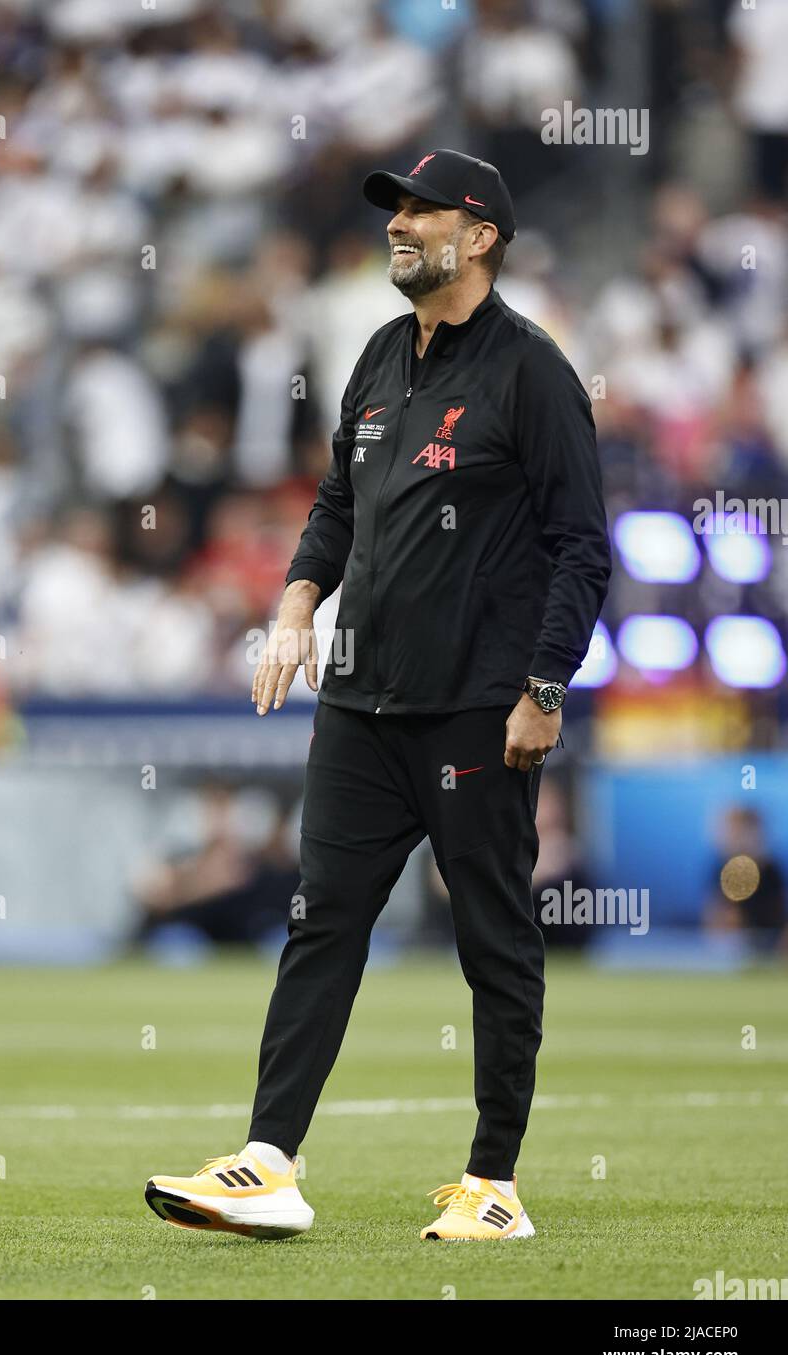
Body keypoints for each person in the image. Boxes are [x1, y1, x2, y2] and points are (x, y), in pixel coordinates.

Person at [145, 149, 611, 1242]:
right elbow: (337, 503)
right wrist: (300, 601)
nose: (398, 225)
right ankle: (270, 1162)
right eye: (394, 210)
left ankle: (493, 1183)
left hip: (476, 705)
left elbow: (583, 549)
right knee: (320, 923)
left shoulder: (532, 371)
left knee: (492, 936)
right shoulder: (376, 355)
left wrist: (544, 686)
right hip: (360, 702)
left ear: (480, 234)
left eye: (421, 210)